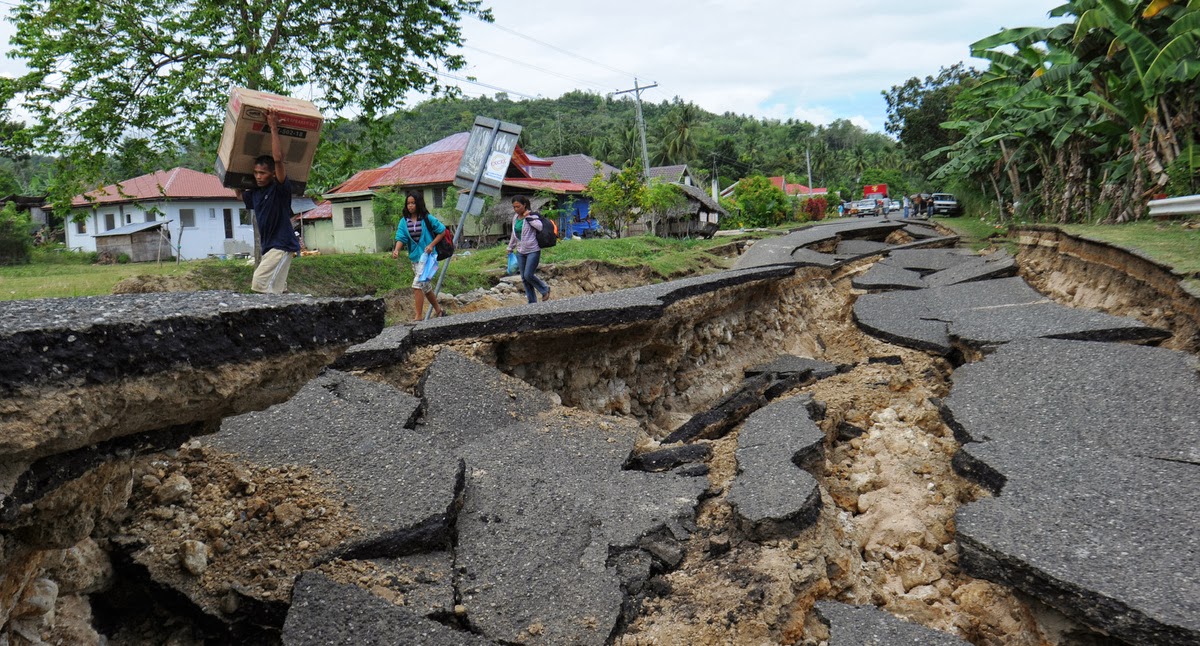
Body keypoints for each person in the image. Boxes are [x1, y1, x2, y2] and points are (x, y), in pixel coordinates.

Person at [238, 110, 301, 294]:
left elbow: (278, 160)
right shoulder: (256, 193)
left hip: (281, 245)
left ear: (272, 174)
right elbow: (239, 195)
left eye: (263, 173)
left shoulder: (279, 188)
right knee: (277, 291)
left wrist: (273, 127)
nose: (258, 176)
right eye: (256, 173)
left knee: (260, 283)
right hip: (269, 248)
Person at [392, 191, 447, 321]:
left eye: (413, 203)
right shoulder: (404, 222)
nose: (410, 206)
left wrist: (431, 245)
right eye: (408, 203)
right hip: (415, 259)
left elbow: (442, 231)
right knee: (426, 287)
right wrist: (396, 250)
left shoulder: (427, 218)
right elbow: (401, 237)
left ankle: (418, 317)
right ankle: (439, 311)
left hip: (428, 258)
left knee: (417, 285)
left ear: (418, 204)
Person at [507, 195, 550, 304]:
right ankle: (532, 302)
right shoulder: (515, 218)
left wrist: (528, 217)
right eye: (514, 207)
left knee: (528, 275)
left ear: (524, 205)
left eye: (518, 207)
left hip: (533, 250)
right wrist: (510, 247)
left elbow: (539, 227)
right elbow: (514, 233)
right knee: (524, 278)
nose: (516, 209)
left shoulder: (532, 216)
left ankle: (544, 289)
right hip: (520, 251)